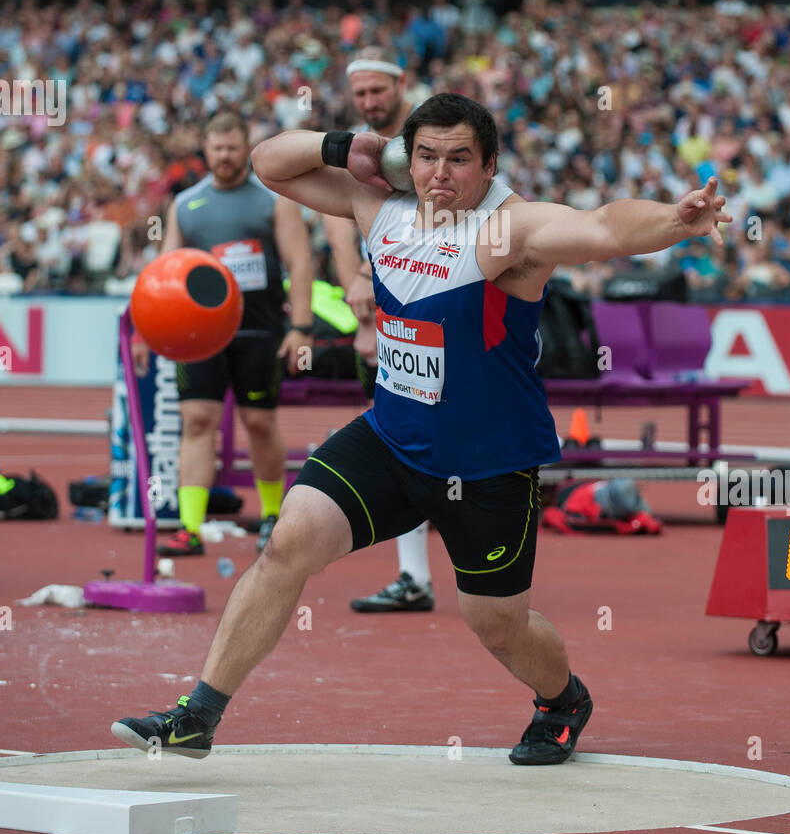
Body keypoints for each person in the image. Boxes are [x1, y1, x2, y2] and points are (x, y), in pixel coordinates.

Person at [113, 94, 729, 766]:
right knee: (288, 540)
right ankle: (197, 715)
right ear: (408, 159)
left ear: (489, 165)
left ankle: (563, 701)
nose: (441, 174)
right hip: (393, 439)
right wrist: (348, 145)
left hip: (490, 462)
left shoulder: (507, 231)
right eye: (427, 156)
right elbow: (269, 165)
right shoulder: (381, 206)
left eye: (460, 159)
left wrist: (675, 219)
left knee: (497, 624)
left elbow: (605, 227)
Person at [131, 113, 314, 556]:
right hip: (198, 335)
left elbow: (301, 262)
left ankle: (272, 516)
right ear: (205, 148)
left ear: (245, 146)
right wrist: (144, 333)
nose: (226, 156)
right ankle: (190, 528)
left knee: (259, 421)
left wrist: (302, 327)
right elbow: (161, 275)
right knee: (196, 422)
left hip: (259, 329)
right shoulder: (185, 205)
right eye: (218, 148)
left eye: (234, 148)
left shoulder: (274, 199)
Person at [323, 55, 436, 613]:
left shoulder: (432, 138)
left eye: (377, 90)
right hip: (392, 314)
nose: (368, 101)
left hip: (445, 296)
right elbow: (341, 227)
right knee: (405, 432)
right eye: (360, 93)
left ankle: (489, 558)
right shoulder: (358, 153)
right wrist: (360, 300)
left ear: (401, 85)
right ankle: (414, 574)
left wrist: (372, 277)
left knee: (455, 434)